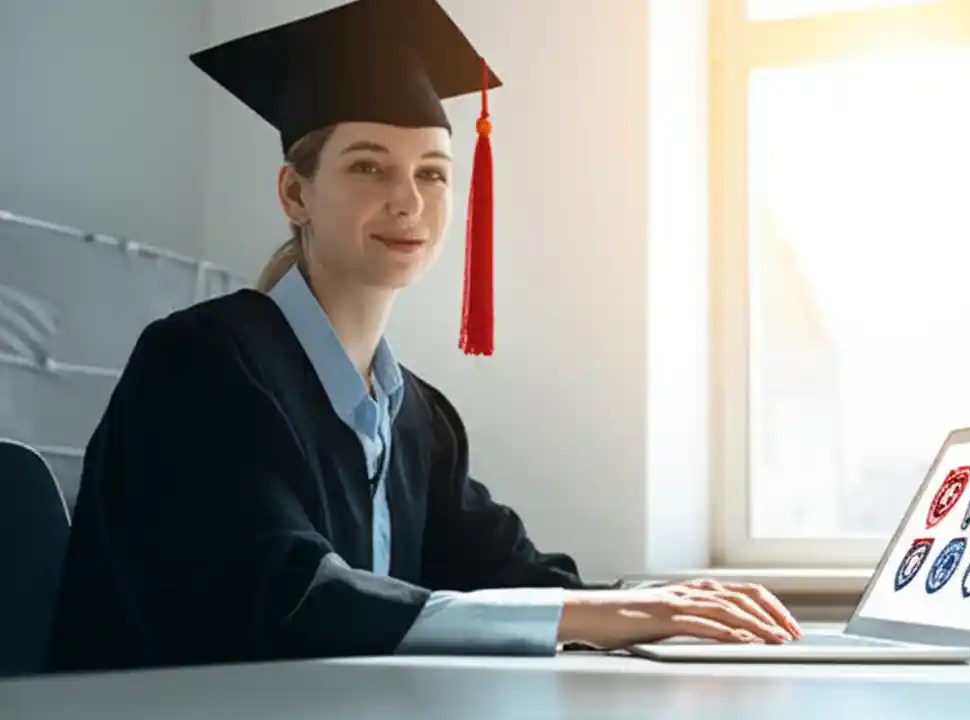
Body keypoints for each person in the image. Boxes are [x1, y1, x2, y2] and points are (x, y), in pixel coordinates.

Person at [46, 0, 801, 673]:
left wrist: (665, 607)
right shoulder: (201, 364)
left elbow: (510, 574)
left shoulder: (416, 417)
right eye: (369, 166)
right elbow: (287, 594)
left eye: (434, 174)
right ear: (295, 191)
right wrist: (588, 617)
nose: (408, 200)